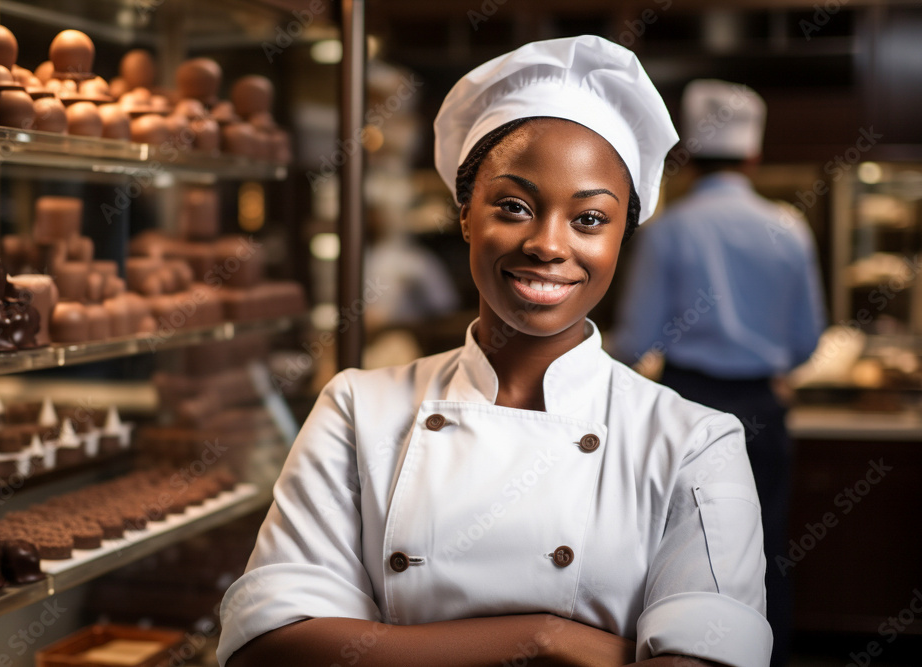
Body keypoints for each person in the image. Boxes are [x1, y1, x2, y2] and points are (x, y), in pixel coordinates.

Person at [218, 39, 772, 667]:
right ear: (464, 215)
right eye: (513, 206)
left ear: (622, 236)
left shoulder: (694, 440)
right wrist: (543, 637)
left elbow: (709, 658)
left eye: (589, 219)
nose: (547, 244)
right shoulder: (356, 407)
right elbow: (269, 643)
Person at [609, 80, 827, 667]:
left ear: (686, 159)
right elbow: (809, 340)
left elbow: (634, 340)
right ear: (753, 156)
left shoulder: (669, 230)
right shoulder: (790, 226)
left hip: (686, 403)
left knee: (676, 558)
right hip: (763, 406)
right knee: (765, 552)